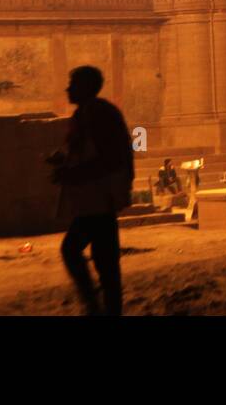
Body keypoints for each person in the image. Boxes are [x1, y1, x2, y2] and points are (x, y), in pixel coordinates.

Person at [49, 65, 133, 316]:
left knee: (77, 251)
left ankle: (96, 306)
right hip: (93, 199)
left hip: (99, 198)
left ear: (85, 87)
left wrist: (73, 173)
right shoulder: (89, 113)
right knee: (104, 260)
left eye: (72, 83)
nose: (68, 88)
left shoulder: (98, 114)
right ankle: (102, 307)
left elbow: (108, 158)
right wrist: (64, 162)